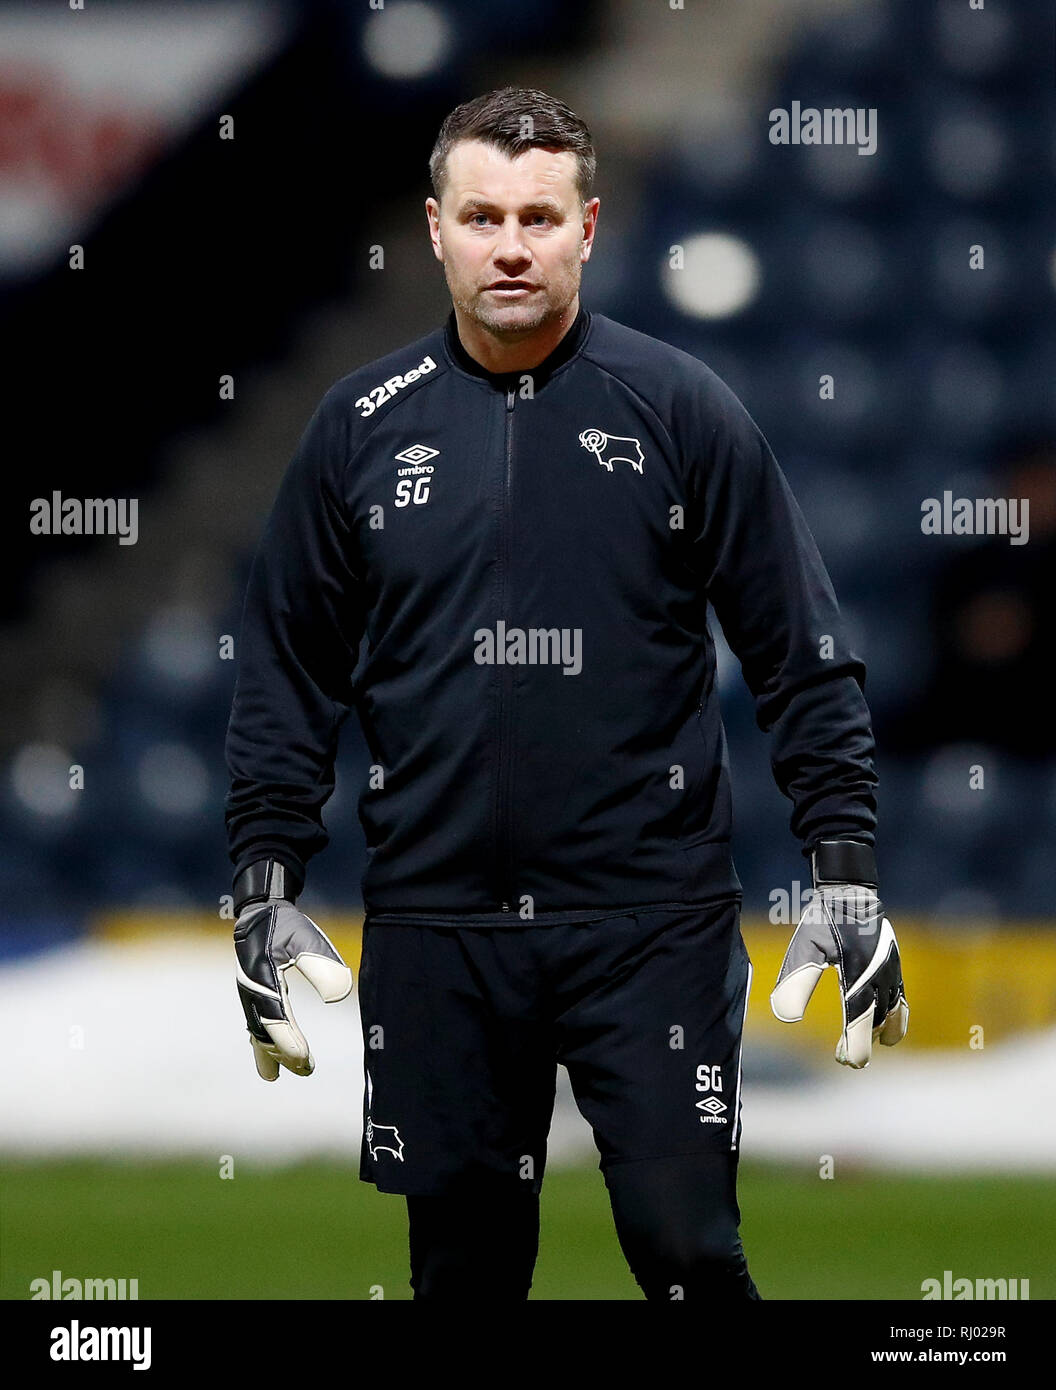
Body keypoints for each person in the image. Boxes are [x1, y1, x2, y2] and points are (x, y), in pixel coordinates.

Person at [224, 86, 909, 1302]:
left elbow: (802, 652)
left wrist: (846, 871)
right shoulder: (357, 429)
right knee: (464, 1275)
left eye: (539, 217)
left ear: (589, 227)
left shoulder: (682, 409)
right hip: (437, 925)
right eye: (481, 215)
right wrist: (264, 879)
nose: (510, 244)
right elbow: (286, 666)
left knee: (689, 1250)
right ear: (434, 229)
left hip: (649, 920)